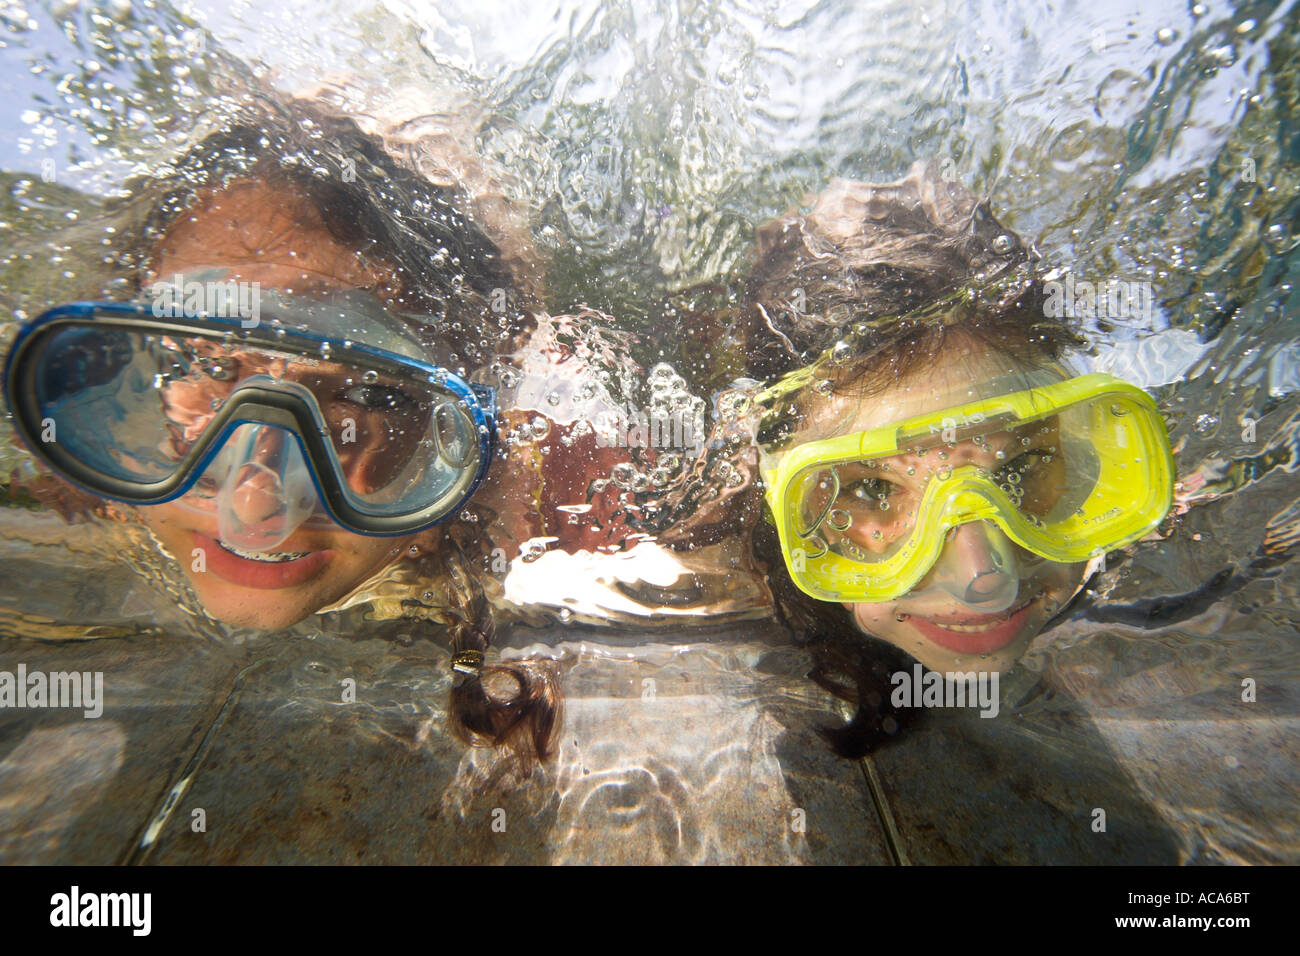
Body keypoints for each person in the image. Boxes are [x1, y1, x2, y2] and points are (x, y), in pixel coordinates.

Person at [3, 94, 560, 765]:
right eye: (206, 363)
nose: (254, 507)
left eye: (369, 392)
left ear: (462, 439)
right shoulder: (93, 471)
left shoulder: (536, 520)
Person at [742, 162, 1175, 755]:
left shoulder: (1133, 517)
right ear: (777, 498)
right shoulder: (725, 566)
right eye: (870, 489)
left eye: (1022, 470)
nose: (984, 583)